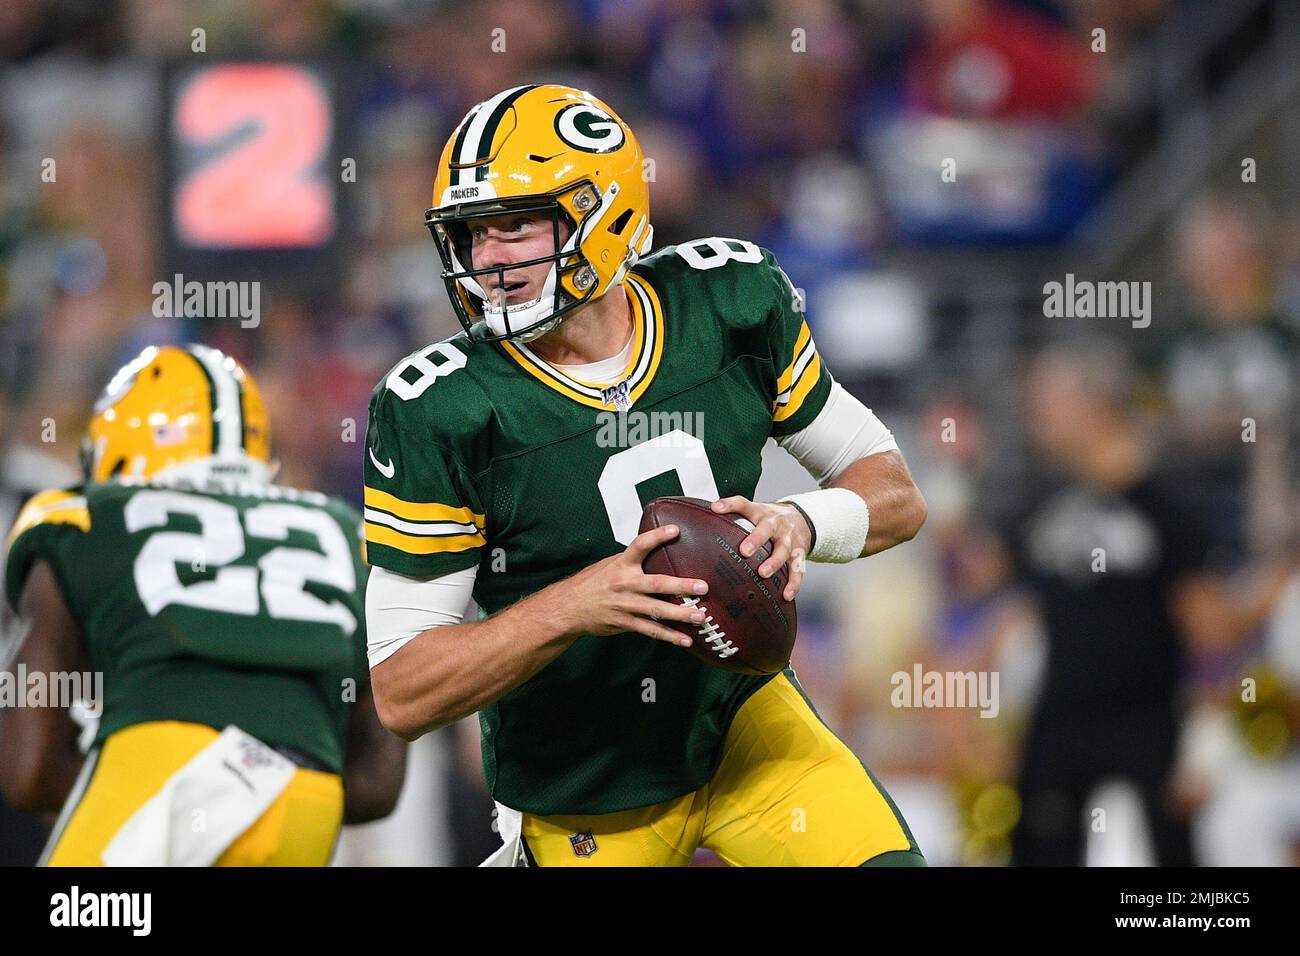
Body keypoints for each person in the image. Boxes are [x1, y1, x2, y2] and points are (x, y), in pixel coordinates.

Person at [363, 84, 928, 866]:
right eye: (470, 235)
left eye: (513, 227)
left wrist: (800, 522)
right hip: (582, 785)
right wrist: (573, 605)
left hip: (740, 723)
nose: (485, 259)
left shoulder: (727, 300)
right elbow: (399, 688)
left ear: (608, 212)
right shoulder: (441, 407)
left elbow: (896, 492)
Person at [0, 345, 405, 865]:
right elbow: (377, 783)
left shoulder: (79, 518)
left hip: (157, 779)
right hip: (308, 805)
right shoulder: (347, 531)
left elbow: (26, 771)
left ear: (116, 445)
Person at [1003, 345, 1294, 865]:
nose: (1033, 419)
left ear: (1093, 404)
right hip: (1060, 717)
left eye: (1045, 403)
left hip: (1149, 720)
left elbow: (1210, 629)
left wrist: (1207, 736)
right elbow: (1014, 610)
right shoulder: (1043, 503)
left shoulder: (1170, 500)